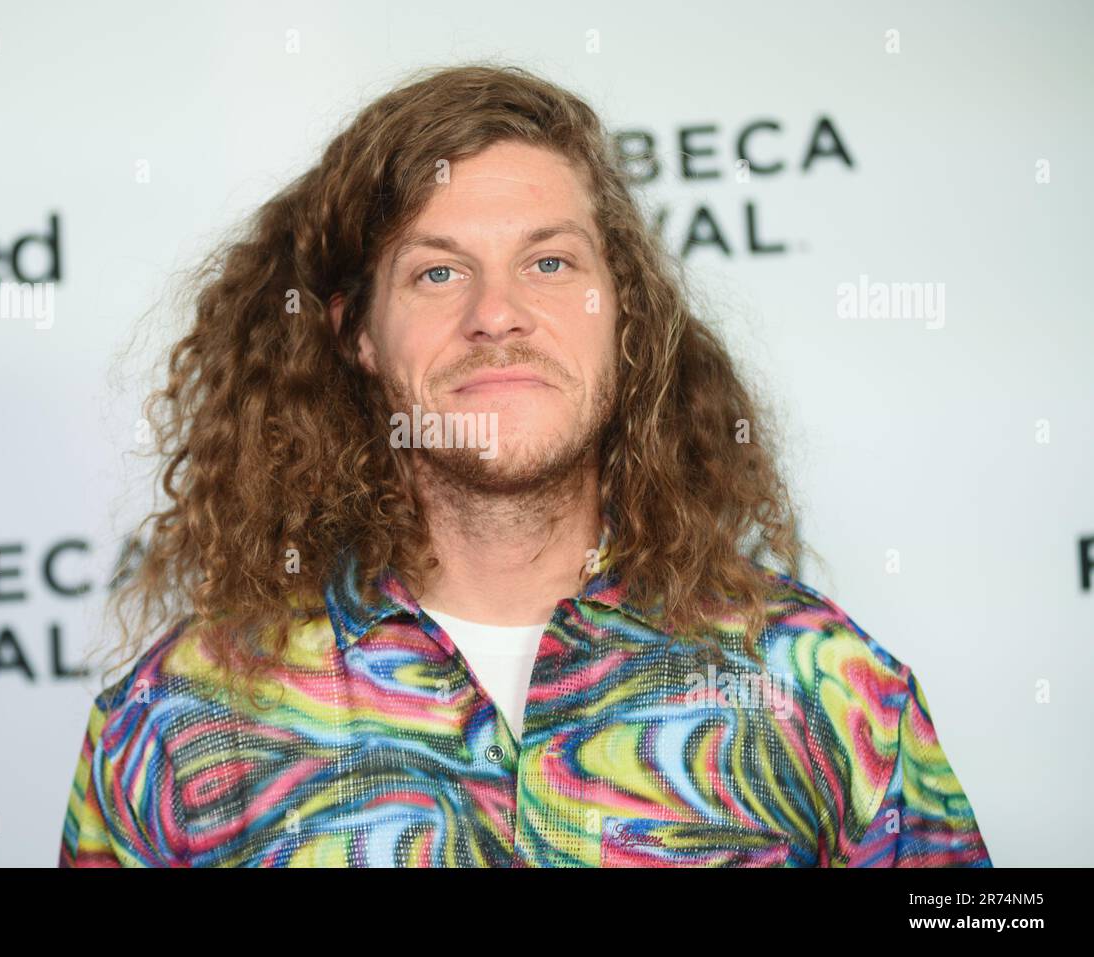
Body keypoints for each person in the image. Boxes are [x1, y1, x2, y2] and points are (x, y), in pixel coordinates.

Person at [58, 62, 991, 867]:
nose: (496, 314)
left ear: (622, 312)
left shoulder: (819, 685)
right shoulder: (180, 725)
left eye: (548, 263)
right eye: (437, 271)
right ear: (357, 335)